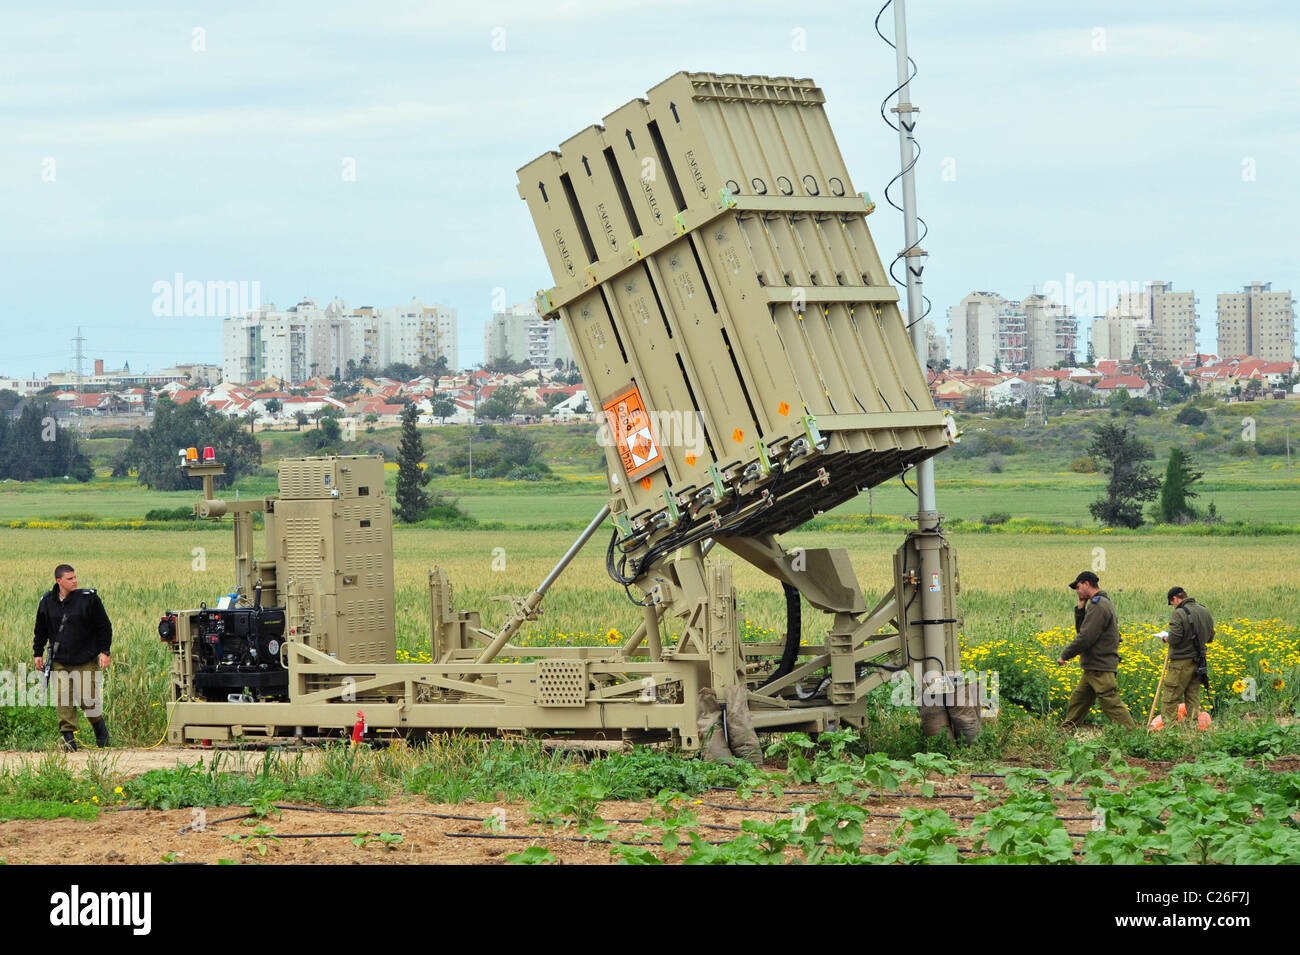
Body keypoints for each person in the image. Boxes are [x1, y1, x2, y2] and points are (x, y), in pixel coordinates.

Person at [32, 564, 113, 751]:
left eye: (75, 577)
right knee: (64, 698)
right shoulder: (47, 601)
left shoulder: (89, 599)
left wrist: (105, 651)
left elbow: (104, 626)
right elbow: (40, 630)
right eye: (70, 579)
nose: (75, 581)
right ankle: (69, 740)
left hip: (85, 658)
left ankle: (100, 730)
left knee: (87, 699)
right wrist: (38, 653)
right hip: (60, 660)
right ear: (59, 581)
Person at [1056, 571, 1136, 729]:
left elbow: (1086, 637)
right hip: (1094, 665)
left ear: (1087, 584)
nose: (1077, 591)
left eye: (1078, 587)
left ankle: (1133, 735)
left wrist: (1065, 655)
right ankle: (1065, 733)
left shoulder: (1098, 605)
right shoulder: (1098, 603)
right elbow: (1084, 630)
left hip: (1100, 664)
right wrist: (1080, 607)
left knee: (1110, 702)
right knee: (1079, 700)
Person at [1160, 586, 1214, 725]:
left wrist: (1167, 638)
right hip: (1199, 662)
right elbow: (1210, 637)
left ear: (1175, 599)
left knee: (1170, 697)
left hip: (1181, 663)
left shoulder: (1179, 613)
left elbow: (1175, 638)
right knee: (1193, 696)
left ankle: (1169, 731)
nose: (1172, 606)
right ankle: (1193, 728)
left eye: (1171, 603)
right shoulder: (1204, 610)